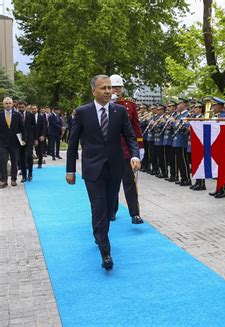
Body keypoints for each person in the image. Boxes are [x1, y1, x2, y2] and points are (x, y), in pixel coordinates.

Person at [66, 75, 140, 270]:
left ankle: (99, 232)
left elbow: (130, 136)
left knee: (107, 208)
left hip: (115, 167)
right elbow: (72, 143)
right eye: (103, 88)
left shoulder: (120, 111)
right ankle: (105, 252)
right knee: (98, 206)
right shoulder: (82, 112)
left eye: (109, 87)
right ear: (94, 91)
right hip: (92, 169)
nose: (108, 91)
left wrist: (134, 155)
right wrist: (70, 170)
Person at [110, 74, 145, 225]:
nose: (117, 90)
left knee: (130, 183)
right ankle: (111, 210)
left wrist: (140, 146)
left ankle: (135, 213)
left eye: (119, 87)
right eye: (114, 87)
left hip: (126, 150)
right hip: (111, 150)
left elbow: (136, 126)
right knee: (112, 183)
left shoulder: (129, 104)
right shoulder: (104, 104)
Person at [0, 97, 25, 188]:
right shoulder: (0, 114)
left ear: (12, 104)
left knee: (14, 161)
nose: (8, 105)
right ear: (3, 105)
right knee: (3, 161)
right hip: (2, 143)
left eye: (9, 103)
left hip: (14, 143)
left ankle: (13, 179)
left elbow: (22, 128)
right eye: (6, 103)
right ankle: (4, 180)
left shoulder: (17, 115)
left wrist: (24, 139)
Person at [208, 97, 225, 198]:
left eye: (214, 105)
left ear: (220, 106)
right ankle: (218, 189)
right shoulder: (216, 116)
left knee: (222, 169)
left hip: (223, 145)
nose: (212, 107)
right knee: (217, 168)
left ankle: (223, 190)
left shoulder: (224, 117)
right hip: (216, 144)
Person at [172, 97, 191, 186]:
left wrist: (175, 124)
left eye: (179, 104)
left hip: (183, 140)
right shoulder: (179, 115)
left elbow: (185, 127)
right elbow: (174, 125)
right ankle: (182, 178)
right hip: (177, 140)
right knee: (179, 160)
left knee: (183, 161)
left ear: (184, 104)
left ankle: (187, 179)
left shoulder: (187, 114)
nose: (178, 106)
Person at [17, 100, 37, 182]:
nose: (21, 108)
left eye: (22, 107)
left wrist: (35, 138)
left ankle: (30, 173)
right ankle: (24, 176)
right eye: (19, 107)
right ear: (17, 107)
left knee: (29, 156)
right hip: (20, 139)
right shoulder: (16, 115)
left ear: (25, 107)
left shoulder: (31, 115)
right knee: (21, 157)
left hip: (29, 139)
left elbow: (34, 127)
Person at [32, 104, 47, 169]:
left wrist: (43, 135)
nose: (34, 110)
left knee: (40, 151)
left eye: (35, 108)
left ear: (37, 109)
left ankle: (40, 163)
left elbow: (44, 127)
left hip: (40, 136)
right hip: (31, 136)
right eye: (32, 109)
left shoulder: (41, 117)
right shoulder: (29, 116)